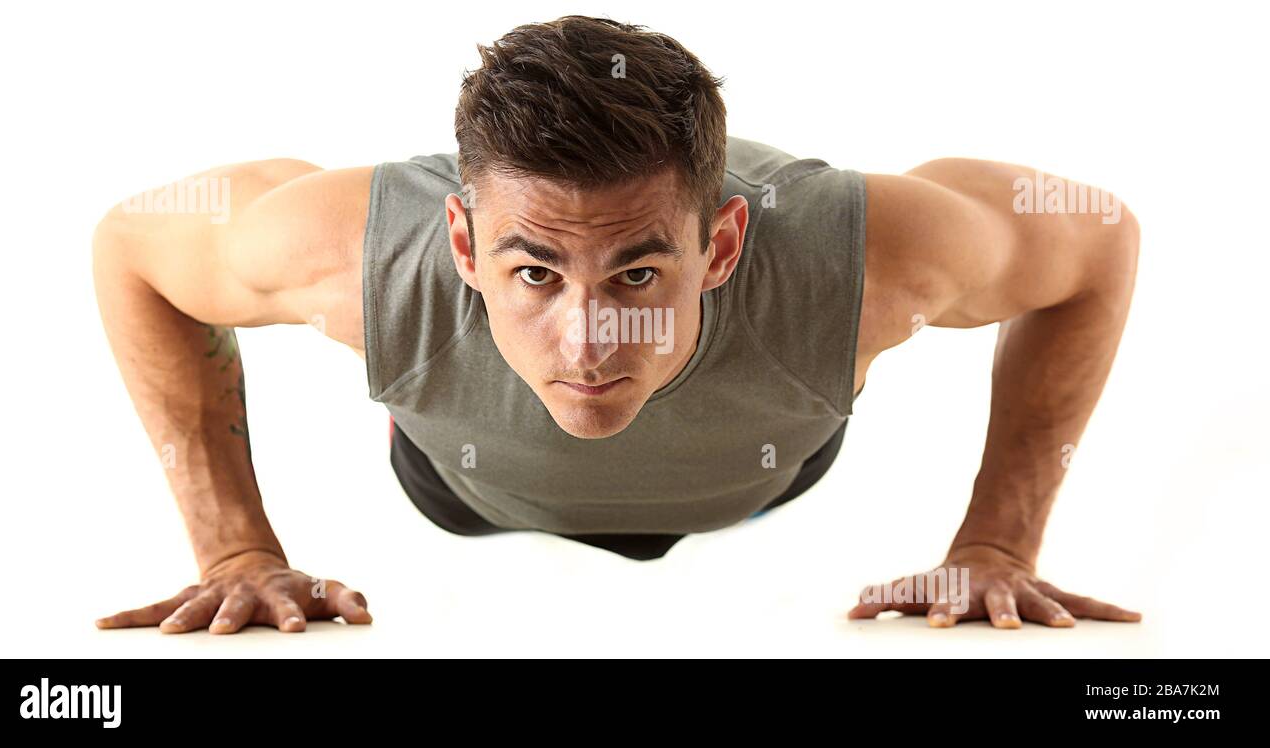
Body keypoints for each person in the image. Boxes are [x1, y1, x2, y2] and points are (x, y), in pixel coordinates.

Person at [91, 15, 1143, 635]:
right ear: (462, 246)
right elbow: (133, 252)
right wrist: (234, 551)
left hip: (771, 465)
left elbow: (1094, 241)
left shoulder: (863, 258)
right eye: (534, 271)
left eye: (636, 274)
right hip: (458, 483)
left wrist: (996, 543)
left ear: (722, 248)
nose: (587, 343)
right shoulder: (351, 251)